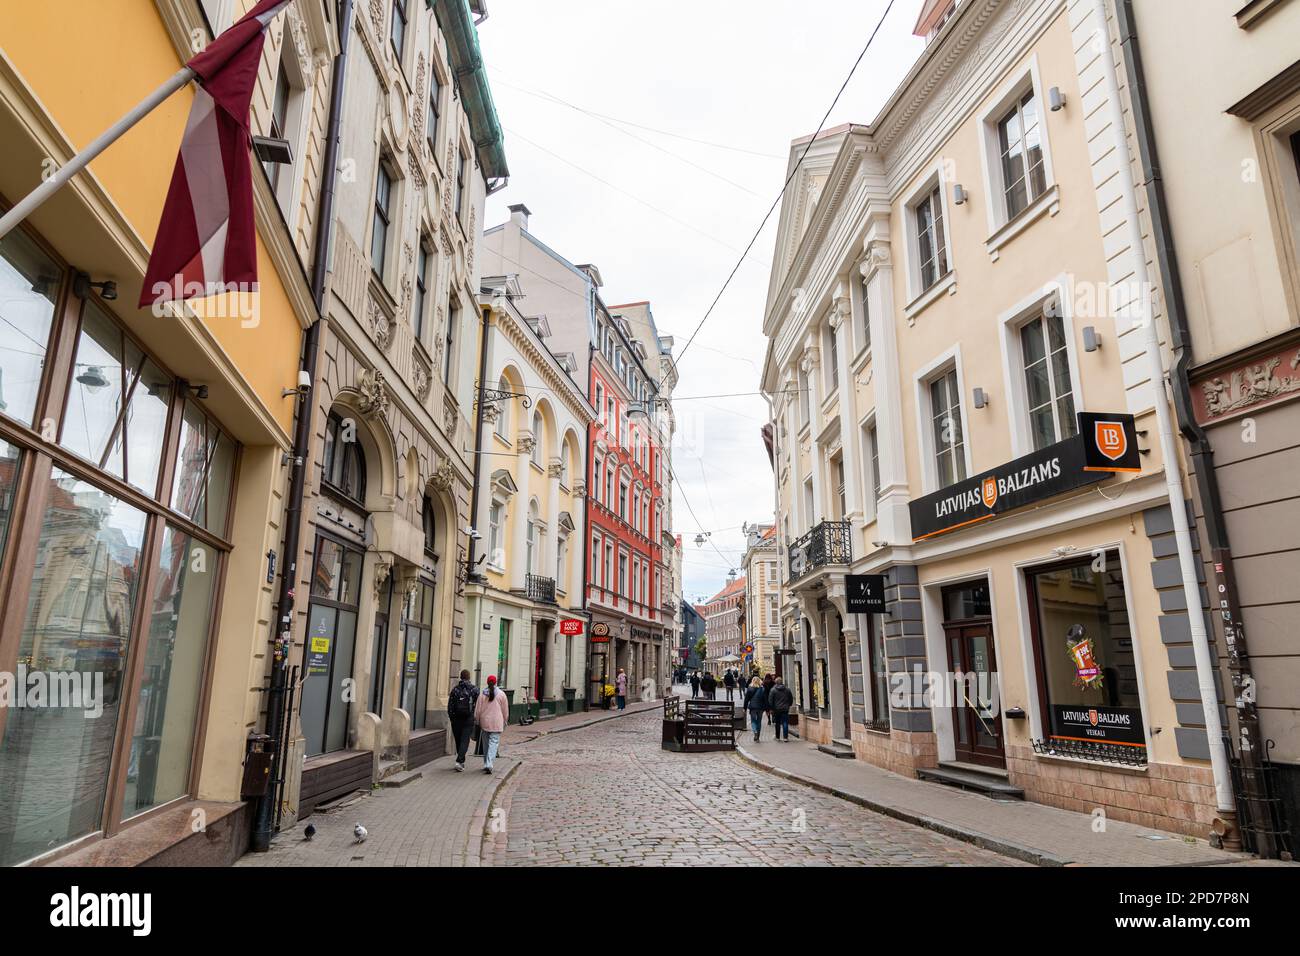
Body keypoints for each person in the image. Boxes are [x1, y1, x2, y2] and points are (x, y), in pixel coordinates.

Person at [474, 674, 510, 773]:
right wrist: (505, 720)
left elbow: (478, 710)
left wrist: (477, 720)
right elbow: (505, 710)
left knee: (485, 744)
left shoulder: (482, 694)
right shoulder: (502, 694)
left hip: (485, 722)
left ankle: (486, 762)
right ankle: (489, 764)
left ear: (487, 682)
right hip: (497, 722)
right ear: (496, 682)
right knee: (493, 743)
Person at [446, 669, 478, 771]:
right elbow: (478, 705)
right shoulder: (474, 689)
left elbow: (450, 706)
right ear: (469, 677)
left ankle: (460, 761)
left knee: (459, 740)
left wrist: (452, 718)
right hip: (468, 719)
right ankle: (460, 761)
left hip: (456, 719)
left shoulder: (455, 690)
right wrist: (474, 716)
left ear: (460, 677)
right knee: (465, 740)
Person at [768, 676, 794, 742]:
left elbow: (770, 700)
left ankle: (777, 737)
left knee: (778, 723)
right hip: (785, 708)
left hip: (776, 709)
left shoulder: (773, 690)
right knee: (785, 722)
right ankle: (785, 737)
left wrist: (771, 708)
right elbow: (791, 698)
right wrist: (789, 705)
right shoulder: (787, 689)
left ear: (776, 682)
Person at [744, 677, 768, 742]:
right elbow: (765, 700)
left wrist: (745, 708)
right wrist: (767, 709)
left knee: (753, 721)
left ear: (752, 681)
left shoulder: (750, 689)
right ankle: (757, 738)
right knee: (759, 722)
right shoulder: (763, 689)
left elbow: (746, 700)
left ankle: (755, 732)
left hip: (753, 707)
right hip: (760, 708)